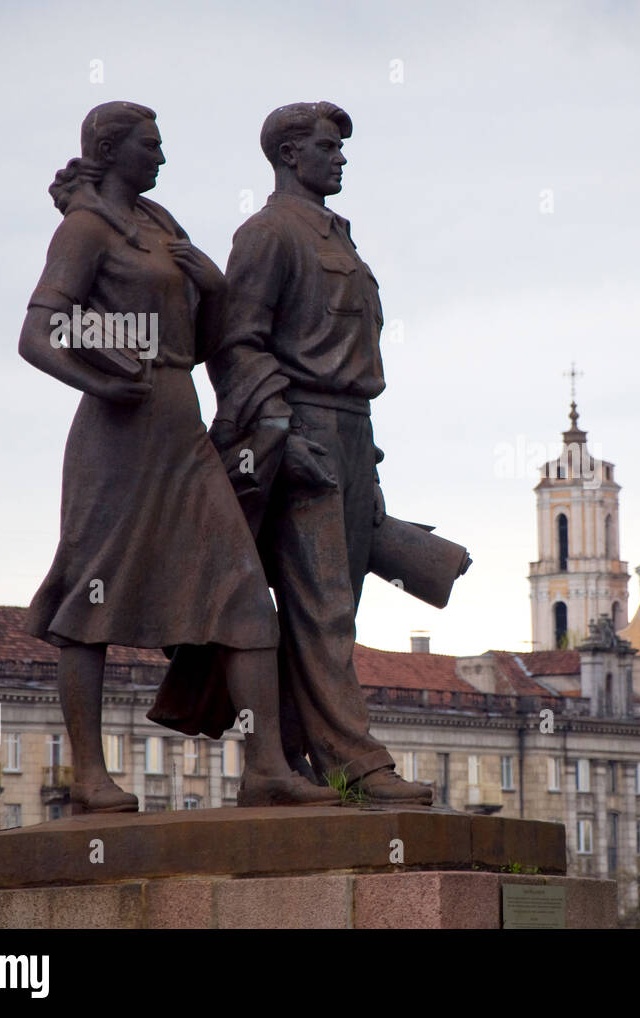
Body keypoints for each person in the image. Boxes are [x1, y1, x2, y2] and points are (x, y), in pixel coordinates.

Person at [18, 100, 340, 813]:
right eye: (150, 146)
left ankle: (266, 769)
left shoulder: (164, 226)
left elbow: (202, 343)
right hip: (116, 439)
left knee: (244, 591)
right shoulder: (85, 230)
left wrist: (217, 285)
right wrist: (102, 379)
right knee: (88, 601)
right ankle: (89, 776)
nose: (162, 159)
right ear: (112, 149)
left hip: (182, 430)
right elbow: (37, 335)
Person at [193, 101, 431, 803]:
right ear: (290, 154)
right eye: (329, 146)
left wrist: (370, 461)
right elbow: (236, 346)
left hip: (353, 432)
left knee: (332, 611)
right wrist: (281, 434)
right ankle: (356, 762)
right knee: (322, 606)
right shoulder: (268, 234)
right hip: (304, 429)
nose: (341, 157)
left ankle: (292, 761)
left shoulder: (340, 239)